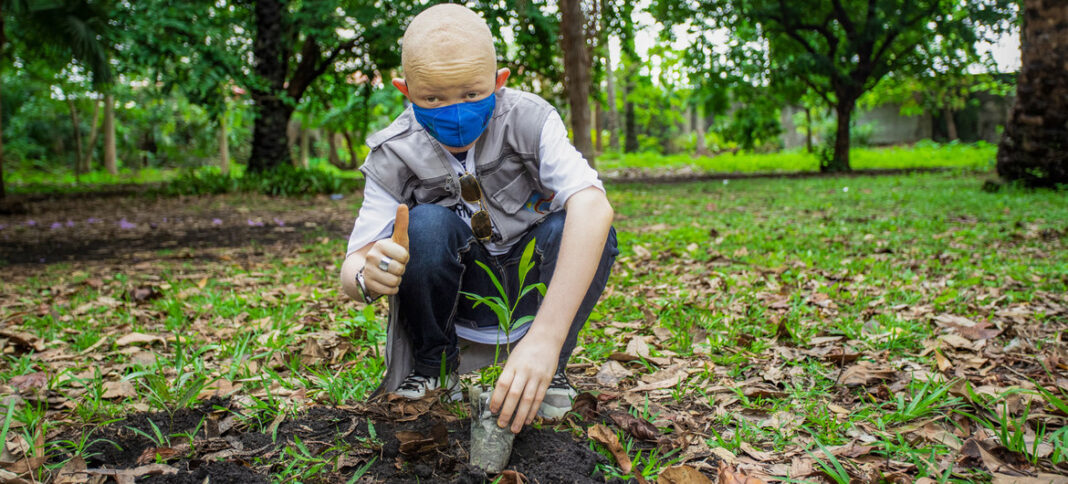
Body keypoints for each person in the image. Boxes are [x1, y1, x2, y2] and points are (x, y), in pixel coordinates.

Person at [339, 3, 617, 434]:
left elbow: (594, 206)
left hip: (533, 289)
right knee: (424, 224)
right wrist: (366, 275)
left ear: (498, 81)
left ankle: (549, 370)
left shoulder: (532, 119)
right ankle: (435, 368)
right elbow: (353, 263)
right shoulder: (392, 152)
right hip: (461, 296)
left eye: (471, 94)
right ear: (405, 89)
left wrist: (545, 339)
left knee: (576, 224)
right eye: (433, 98)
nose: (454, 111)